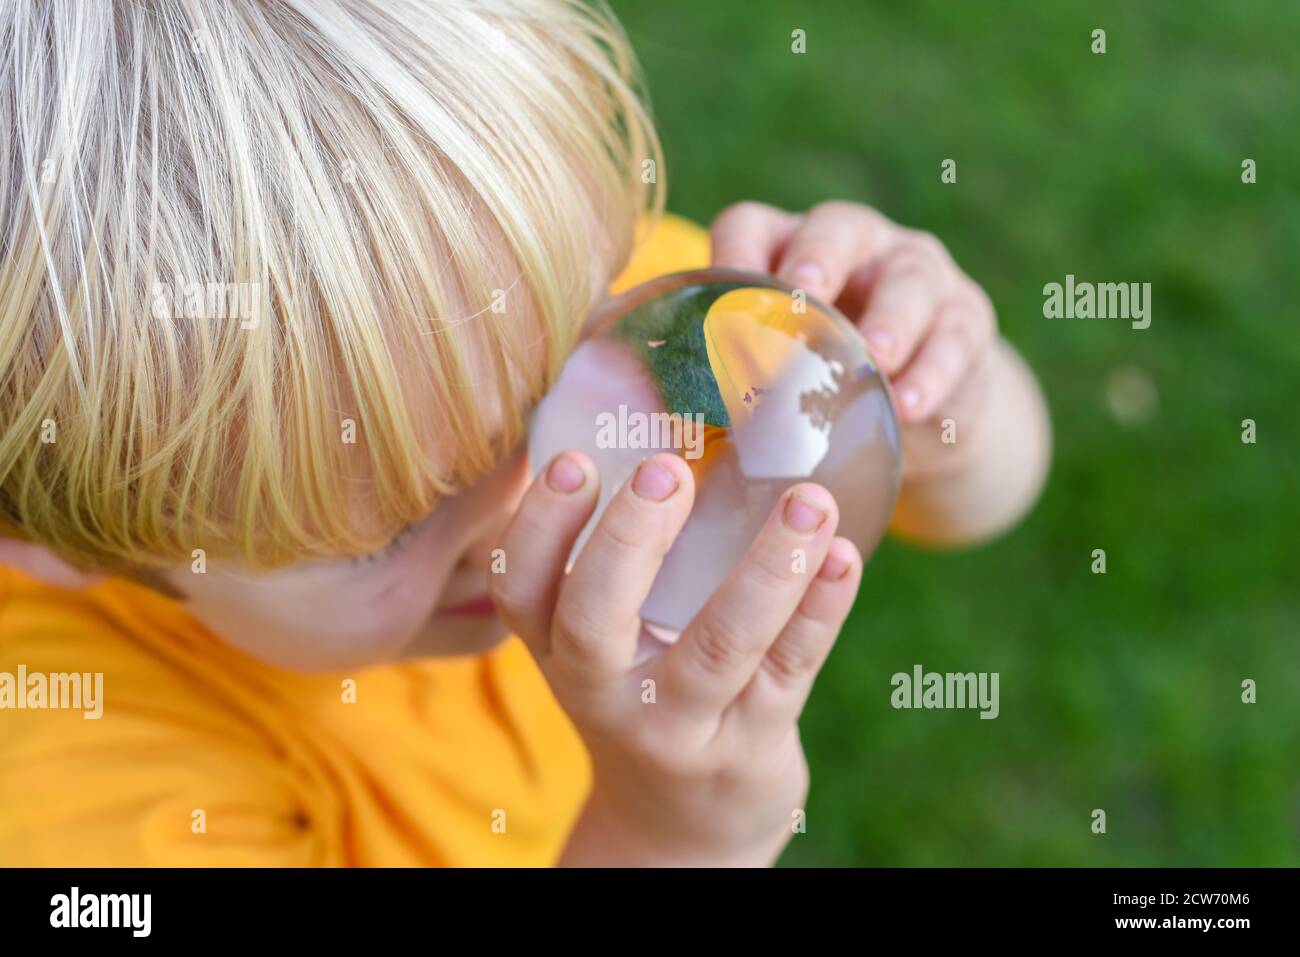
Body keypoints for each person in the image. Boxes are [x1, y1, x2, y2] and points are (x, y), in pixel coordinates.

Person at [0, 0, 1049, 866]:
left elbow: (984, 500)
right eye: (389, 528)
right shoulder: (72, 790)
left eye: (566, 381)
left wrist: (931, 405)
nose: (535, 497)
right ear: (45, 533)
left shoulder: (636, 334)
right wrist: (668, 833)